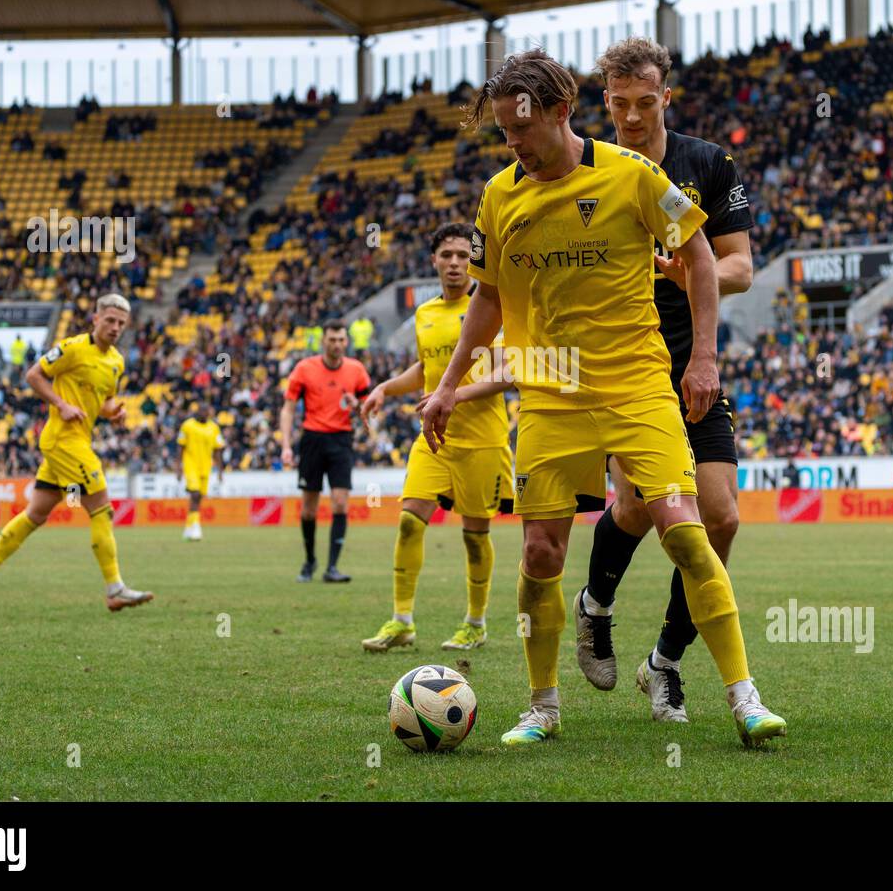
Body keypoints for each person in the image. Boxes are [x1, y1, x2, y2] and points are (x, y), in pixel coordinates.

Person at [421, 49, 786, 748]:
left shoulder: (635, 175)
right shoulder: (498, 195)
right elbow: (489, 299)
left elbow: (701, 255)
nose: (513, 143)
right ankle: (543, 707)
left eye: (521, 129)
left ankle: (744, 699)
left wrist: (704, 358)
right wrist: (446, 386)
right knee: (540, 552)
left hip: (638, 382)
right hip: (549, 388)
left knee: (688, 529)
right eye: (504, 132)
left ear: (561, 112)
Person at [575, 37, 757, 723]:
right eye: (619, 104)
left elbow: (740, 266)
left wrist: (691, 270)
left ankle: (665, 663)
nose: (631, 117)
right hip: (625, 367)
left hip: (693, 364)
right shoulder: (589, 170)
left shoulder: (706, 163)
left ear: (666, 98)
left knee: (722, 519)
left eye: (645, 103)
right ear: (605, 102)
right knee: (634, 509)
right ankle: (595, 605)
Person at [358, 222, 513, 653]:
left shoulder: (494, 306)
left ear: (474, 261)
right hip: (434, 438)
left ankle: (475, 623)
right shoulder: (425, 314)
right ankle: (402, 621)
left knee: (474, 536)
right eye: (447, 255)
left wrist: (456, 394)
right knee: (410, 520)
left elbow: (510, 370)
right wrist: (385, 388)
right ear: (434, 261)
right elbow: (426, 369)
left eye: (464, 255)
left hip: (483, 439)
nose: (455, 263)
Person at [0, 294, 154, 614]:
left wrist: (114, 412)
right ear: (95, 319)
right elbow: (33, 375)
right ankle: (115, 588)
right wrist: (61, 404)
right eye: (109, 320)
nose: (115, 327)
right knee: (101, 509)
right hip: (64, 441)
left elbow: (104, 400)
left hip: (74, 442)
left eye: (121, 323)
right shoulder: (72, 348)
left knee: (36, 514)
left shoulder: (116, 361)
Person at [280, 320, 370, 583]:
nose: (337, 344)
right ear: (323, 342)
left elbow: (369, 410)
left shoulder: (357, 370)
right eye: (332, 340)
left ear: (347, 342)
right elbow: (288, 408)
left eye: (341, 340)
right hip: (313, 439)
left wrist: (358, 406)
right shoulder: (304, 368)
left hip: (341, 440)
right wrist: (286, 445)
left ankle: (332, 567)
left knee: (340, 502)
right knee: (309, 508)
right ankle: (310, 561)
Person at [177, 403, 225, 541]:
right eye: (202, 411)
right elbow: (181, 447)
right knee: (195, 494)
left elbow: (217, 450)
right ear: (197, 411)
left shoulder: (214, 428)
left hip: (206, 467)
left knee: (198, 497)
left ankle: (188, 527)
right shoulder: (187, 426)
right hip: (190, 465)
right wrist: (178, 468)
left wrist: (220, 471)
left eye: (206, 411)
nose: (204, 413)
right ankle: (196, 527)